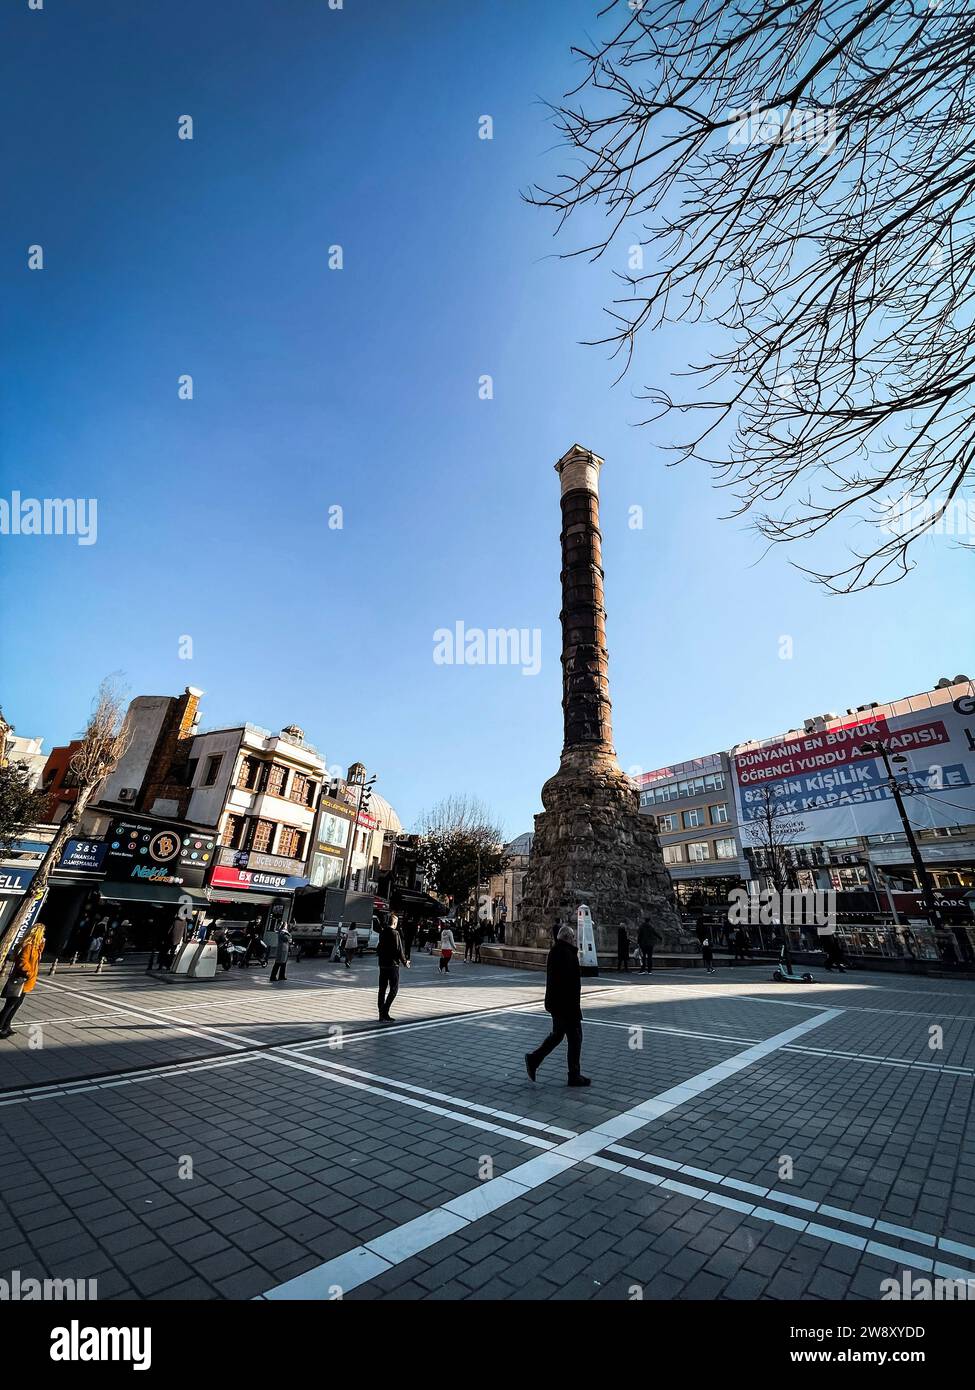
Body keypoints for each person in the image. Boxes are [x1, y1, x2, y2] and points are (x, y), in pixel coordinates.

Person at [524, 923, 590, 1087]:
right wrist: (573, 1008)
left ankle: (534, 1059)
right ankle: (573, 1075)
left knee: (558, 1035)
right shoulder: (566, 954)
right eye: (573, 937)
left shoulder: (556, 951)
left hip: (557, 1004)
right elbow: (568, 983)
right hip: (566, 1006)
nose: (575, 940)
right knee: (575, 1038)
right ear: (568, 938)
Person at [0, 923, 46, 1038]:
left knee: (16, 1004)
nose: (43, 935)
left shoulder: (35, 946)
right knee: (10, 1004)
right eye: (43, 933)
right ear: (38, 933)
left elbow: (38, 955)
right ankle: (1, 1027)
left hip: (26, 982)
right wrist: (29, 973)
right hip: (21, 979)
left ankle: (7, 1025)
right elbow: (22, 961)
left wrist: (42, 943)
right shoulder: (28, 946)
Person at [377, 913, 409, 1021]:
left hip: (382, 964)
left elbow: (379, 947)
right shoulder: (395, 933)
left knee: (382, 989)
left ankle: (381, 1013)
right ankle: (385, 1010)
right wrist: (405, 962)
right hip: (392, 965)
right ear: (394, 923)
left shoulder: (382, 932)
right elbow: (399, 950)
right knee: (394, 989)